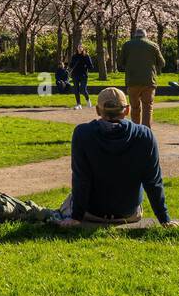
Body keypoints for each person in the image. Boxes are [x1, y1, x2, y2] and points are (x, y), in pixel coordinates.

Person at [58, 87, 173, 227]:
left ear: (98, 110)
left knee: (66, 203)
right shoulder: (144, 136)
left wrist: (76, 217)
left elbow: (81, 178)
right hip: (129, 214)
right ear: (127, 110)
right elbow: (153, 182)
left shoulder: (83, 133)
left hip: (92, 213)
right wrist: (164, 219)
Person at [116, 27, 163, 128]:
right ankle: (146, 130)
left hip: (132, 81)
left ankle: (136, 129)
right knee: (147, 107)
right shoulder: (153, 45)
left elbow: (120, 62)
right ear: (146, 36)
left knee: (135, 107)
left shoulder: (127, 45)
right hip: (149, 81)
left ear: (135, 35)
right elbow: (162, 63)